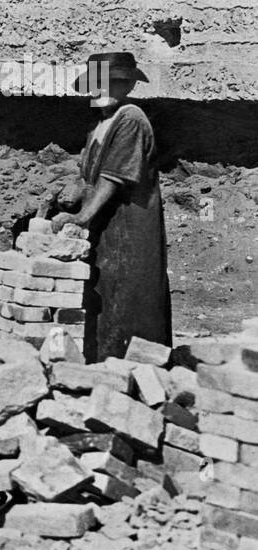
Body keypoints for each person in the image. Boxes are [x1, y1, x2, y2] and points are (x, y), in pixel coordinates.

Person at [53, 52, 171, 362]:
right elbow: (90, 175)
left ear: (127, 85)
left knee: (130, 292)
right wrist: (75, 190)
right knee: (104, 292)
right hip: (106, 224)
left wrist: (81, 217)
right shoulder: (100, 125)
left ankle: (139, 367)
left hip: (131, 224)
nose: (95, 91)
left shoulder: (131, 118)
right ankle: (103, 362)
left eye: (103, 84)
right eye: (92, 85)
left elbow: (113, 177)